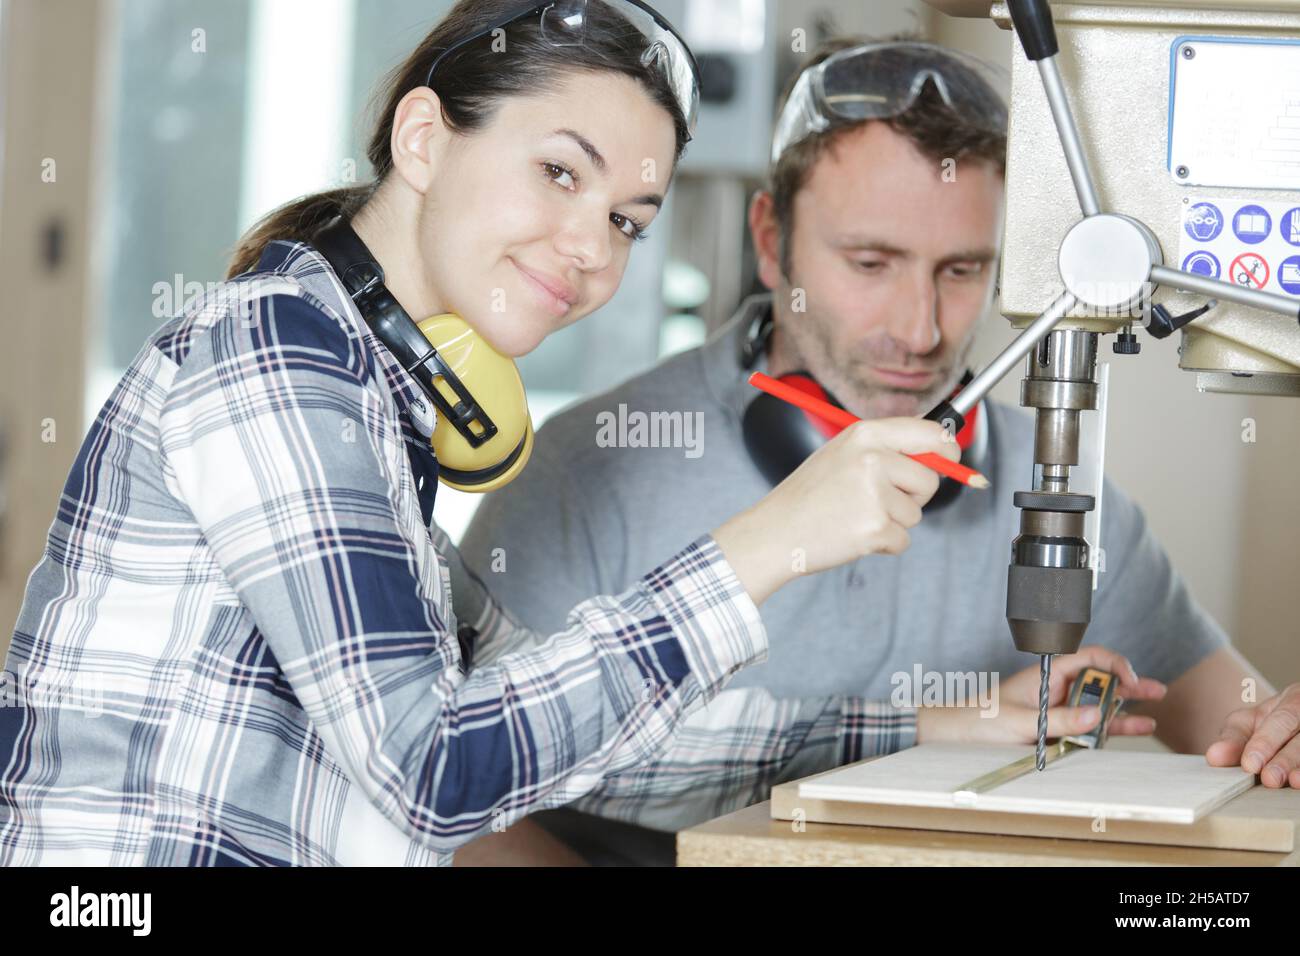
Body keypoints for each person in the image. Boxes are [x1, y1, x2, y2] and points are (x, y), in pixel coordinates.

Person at [0, 2, 967, 867]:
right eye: (558, 172)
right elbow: (431, 771)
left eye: (628, 222)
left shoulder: (372, 416)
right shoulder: (273, 356)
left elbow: (590, 749)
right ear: (423, 139)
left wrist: (939, 726)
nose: (592, 248)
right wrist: (765, 542)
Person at [459, 37, 1299, 866]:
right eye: (871, 262)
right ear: (769, 238)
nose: (919, 329)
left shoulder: (1058, 488)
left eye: (962, 270)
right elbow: (459, 805)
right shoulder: (582, 472)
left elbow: (1235, 723)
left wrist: (1279, 735)